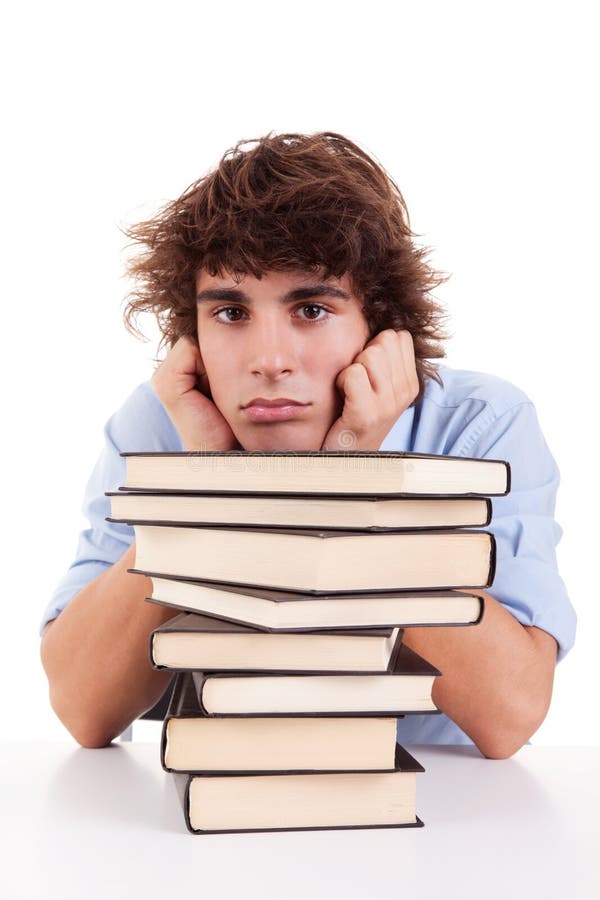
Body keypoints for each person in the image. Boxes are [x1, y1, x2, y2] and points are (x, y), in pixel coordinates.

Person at [39, 131, 576, 756]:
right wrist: (208, 489)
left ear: (381, 327)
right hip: (214, 802)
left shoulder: (481, 422)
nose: (269, 361)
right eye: (232, 314)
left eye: (312, 309)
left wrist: (352, 481)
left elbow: (511, 716)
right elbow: (82, 708)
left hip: (438, 803)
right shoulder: (164, 422)